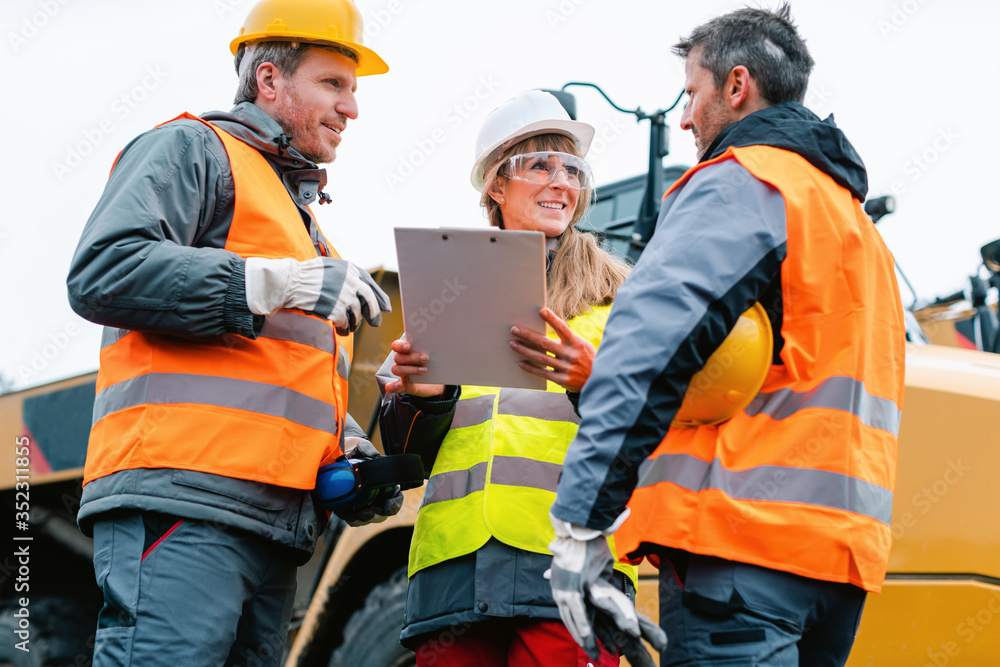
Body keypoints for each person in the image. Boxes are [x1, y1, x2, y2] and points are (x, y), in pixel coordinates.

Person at [546, 5, 907, 667]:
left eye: (692, 94)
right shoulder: (855, 226)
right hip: (839, 561)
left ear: (736, 86)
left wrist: (579, 523)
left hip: (739, 552)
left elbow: (648, 349)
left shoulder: (742, 182)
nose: (685, 118)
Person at [65, 1, 396, 665]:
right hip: (183, 505)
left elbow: (277, 375)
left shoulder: (304, 224)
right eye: (334, 84)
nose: (351, 108)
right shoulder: (193, 148)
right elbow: (101, 271)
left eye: (353, 91)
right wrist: (274, 283)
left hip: (270, 526)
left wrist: (348, 449)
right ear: (269, 81)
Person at [376, 90, 643, 667]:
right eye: (541, 165)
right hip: (454, 577)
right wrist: (428, 397)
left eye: (572, 169)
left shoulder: (622, 300)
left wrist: (590, 382)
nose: (561, 182)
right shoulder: (445, 287)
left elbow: (661, 438)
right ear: (496, 185)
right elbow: (407, 455)